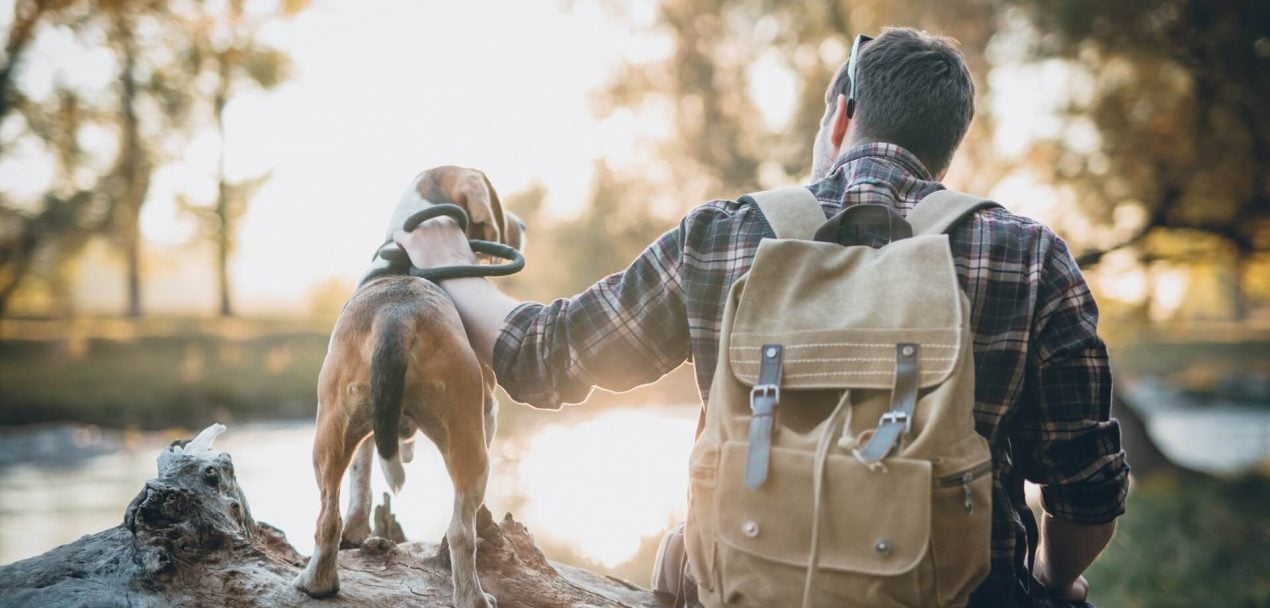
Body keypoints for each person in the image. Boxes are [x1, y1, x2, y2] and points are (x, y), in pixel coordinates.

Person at [393, 26, 1129, 608]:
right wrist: (1053, 575)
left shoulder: (723, 236)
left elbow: (539, 356)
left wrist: (447, 259)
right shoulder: (1029, 257)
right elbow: (1089, 490)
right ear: (946, 153)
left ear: (842, 116)